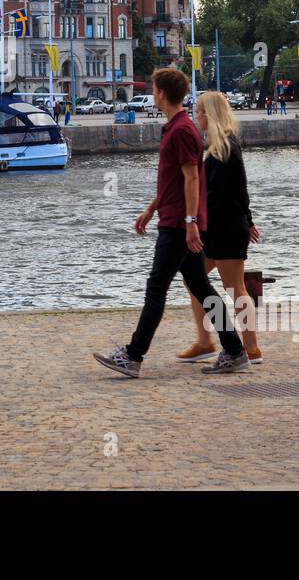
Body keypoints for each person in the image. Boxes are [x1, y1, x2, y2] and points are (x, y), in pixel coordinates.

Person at [93, 68, 249, 378]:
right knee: (202, 288)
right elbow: (176, 181)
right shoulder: (178, 127)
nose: (153, 93)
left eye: (154, 89)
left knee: (156, 287)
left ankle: (133, 355)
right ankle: (234, 350)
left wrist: (190, 222)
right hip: (176, 218)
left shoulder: (181, 130)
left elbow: (192, 178)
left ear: (162, 93)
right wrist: (151, 209)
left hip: (178, 223)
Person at [177, 91, 263, 364]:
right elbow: (241, 189)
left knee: (235, 288)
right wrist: (247, 221)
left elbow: (227, 193)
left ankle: (250, 348)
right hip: (222, 227)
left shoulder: (224, 147)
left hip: (223, 228)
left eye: (199, 111)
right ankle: (206, 341)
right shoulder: (223, 145)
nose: (196, 116)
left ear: (209, 114)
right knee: (196, 279)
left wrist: (197, 221)